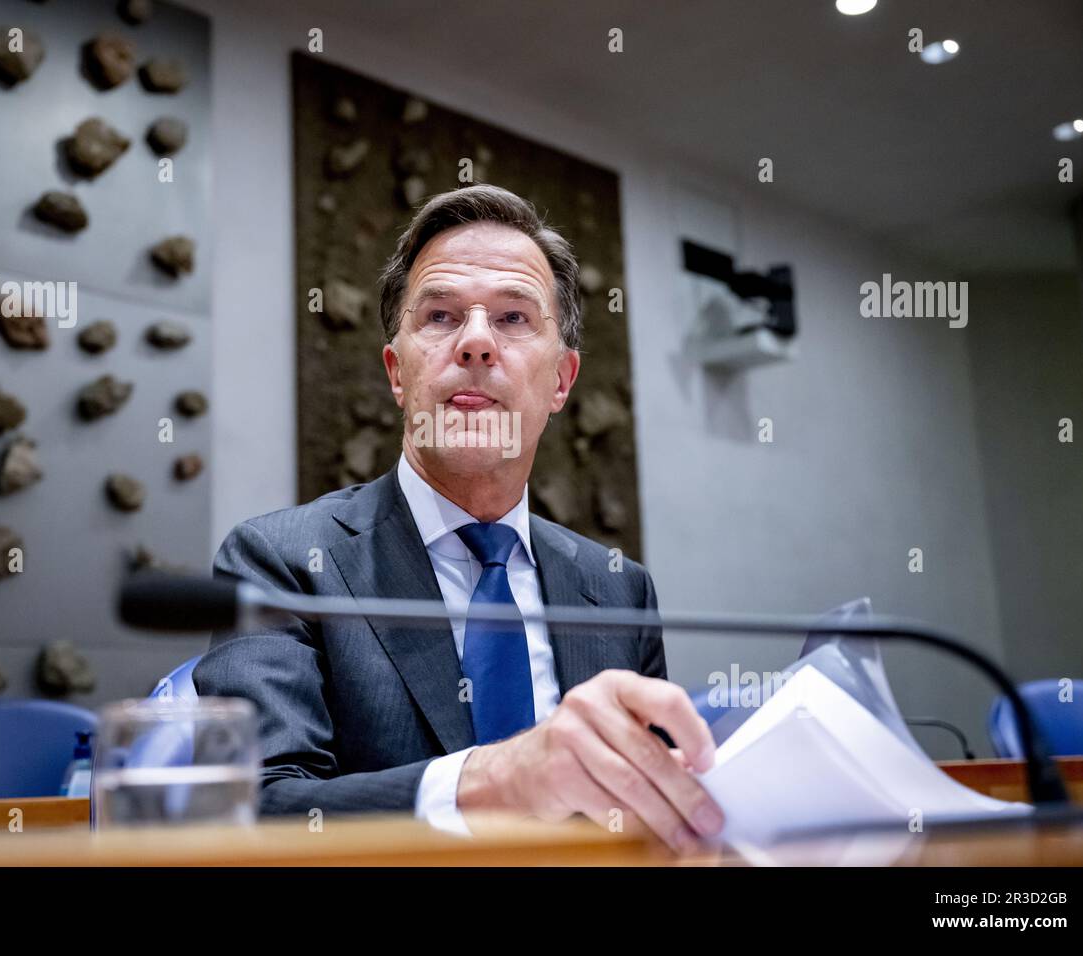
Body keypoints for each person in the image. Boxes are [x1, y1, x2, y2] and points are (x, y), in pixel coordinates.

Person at [195, 184, 722, 852]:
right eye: (441, 316)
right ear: (397, 372)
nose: (475, 342)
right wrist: (493, 780)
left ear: (561, 381)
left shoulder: (618, 588)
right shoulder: (278, 559)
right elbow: (250, 810)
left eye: (512, 318)